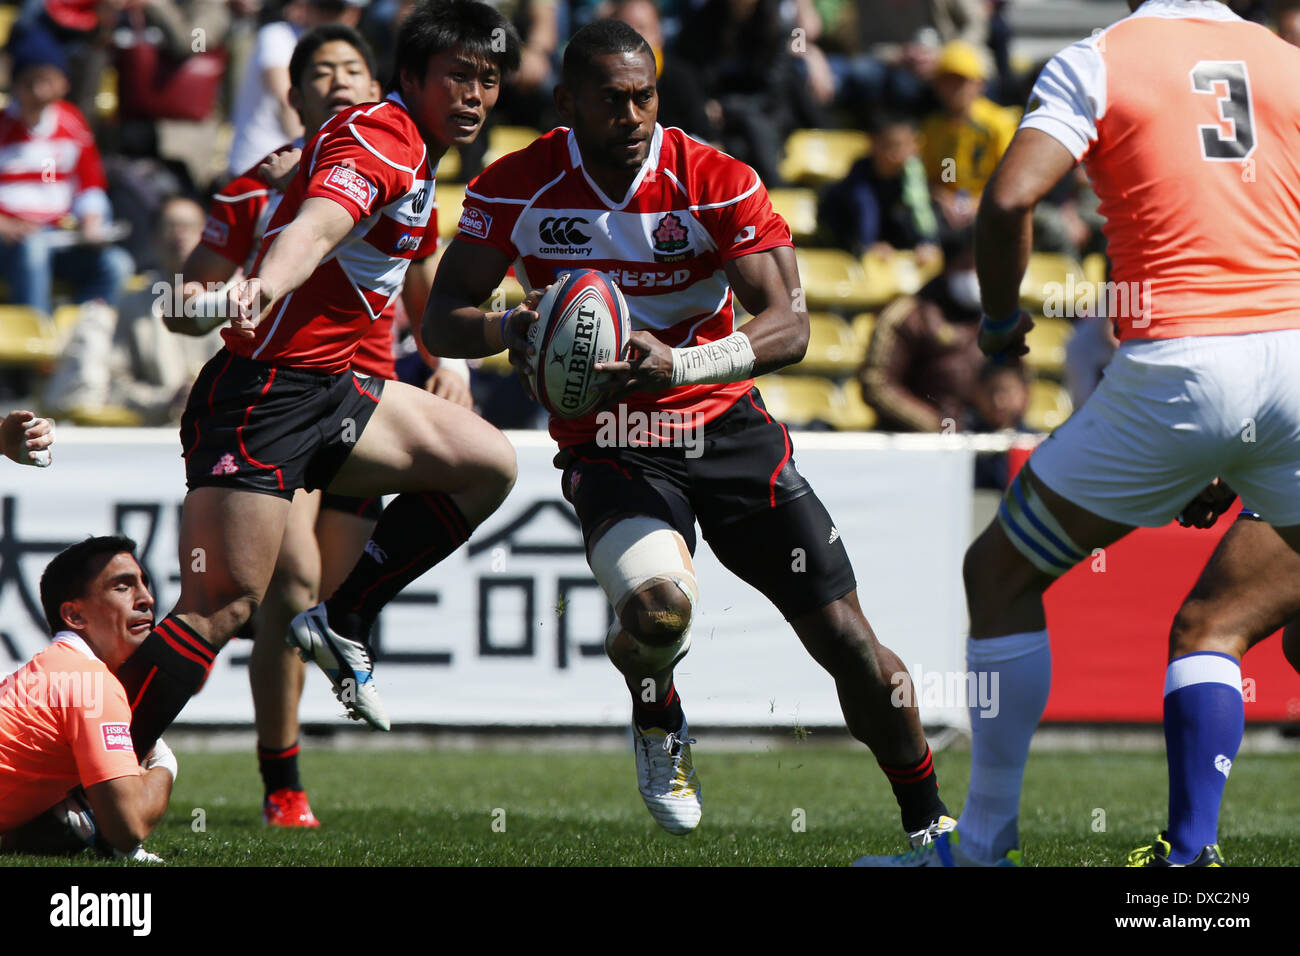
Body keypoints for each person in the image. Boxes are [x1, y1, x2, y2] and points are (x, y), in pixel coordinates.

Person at [424, 18, 954, 845]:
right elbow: (443, 317)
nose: (633, 115)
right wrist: (510, 330)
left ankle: (930, 826)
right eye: (612, 100)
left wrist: (681, 366)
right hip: (611, 441)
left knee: (850, 645)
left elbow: (791, 326)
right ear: (566, 103)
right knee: (660, 612)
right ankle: (658, 714)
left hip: (725, 426)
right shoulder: (513, 186)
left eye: (646, 97)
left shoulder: (713, 177)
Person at [858, 0, 1300, 867]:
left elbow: (1010, 197)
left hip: (1182, 362)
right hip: (1295, 357)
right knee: (1242, 621)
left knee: (1000, 573)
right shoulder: (1284, 59)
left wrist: (996, 324)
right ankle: (1188, 857)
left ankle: (980, 844)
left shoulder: (1099, 59)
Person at [109, 0, 523, 771]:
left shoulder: (413, 152)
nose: (473, 95)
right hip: (263, 392)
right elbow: (318, 227)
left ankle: (346, 617)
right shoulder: (382, 138)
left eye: (488, 80)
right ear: (409, 78)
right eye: (458, 77)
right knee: (220, 609)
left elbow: (422, 298)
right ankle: (83, 771)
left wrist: (501, 335)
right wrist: (262, 287)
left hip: (336, 388)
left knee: (489, 464)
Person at [176, 23, 470, 826]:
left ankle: (339, 638)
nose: (340, 81)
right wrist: (231, 293)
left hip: (371, 399)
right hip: (292, 394)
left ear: (380, 85)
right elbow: (183, 297)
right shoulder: (252, 189)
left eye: (354, 68)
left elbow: (424, 290)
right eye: (321, 72)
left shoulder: (407, 167)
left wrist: (455, 362)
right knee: (288, 584)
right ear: (293, 94)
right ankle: (282, 782)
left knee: (327, 595)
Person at [0, 536, 176, 861]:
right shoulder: (91, 681)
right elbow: (128, 828)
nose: (147, 599)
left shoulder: (53, 671)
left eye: (143, 584)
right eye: (122, 587)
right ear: (75, 616)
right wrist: (165, 764)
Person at [42, 196, 222, 424]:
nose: (180, 234)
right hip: (154, 429)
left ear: (208, 236)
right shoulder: (133, 304)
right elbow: (117, 382)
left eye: (189, 226)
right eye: (171, 226)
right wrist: (165, 401)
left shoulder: (233, 297)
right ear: (154, 239)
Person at [0, 22, 133, 316]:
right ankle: (38, 342)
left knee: (116, 265)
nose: (39, 91)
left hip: (61, 236)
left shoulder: (72, 123)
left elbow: (89, 185)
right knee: (31, 249)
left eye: (46, 80)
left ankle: (81, 335)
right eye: (30, 81)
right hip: (11, 243)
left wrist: (91, 220)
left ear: (62, 82)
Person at [858, 230, 983, 432]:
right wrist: (935, 426)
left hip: (986, 446)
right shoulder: (908, 317)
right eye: (971, 265)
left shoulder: (997, 320)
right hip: (917, 447)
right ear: (950, 265)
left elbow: (1014, 376)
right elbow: (877, 383)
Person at [919, 40, 1018, 231]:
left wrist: (977, 203)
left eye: (961, 81)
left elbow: (1008, 177)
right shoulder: (934, 127)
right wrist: (945, 199)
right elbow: (936, 178)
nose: (954, 88)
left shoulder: (999, 123)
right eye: (947, 81)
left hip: (989, 207)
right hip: (949, 211)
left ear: (979, 84)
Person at [819, 113, 940, 260]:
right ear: (873, 142)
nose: (896, 154)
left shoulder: (914, 177)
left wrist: (926, 243)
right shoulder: (859, 178)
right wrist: (869, 245)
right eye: (890, 146)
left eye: (904, 146)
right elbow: (865, 213)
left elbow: (921, 214)